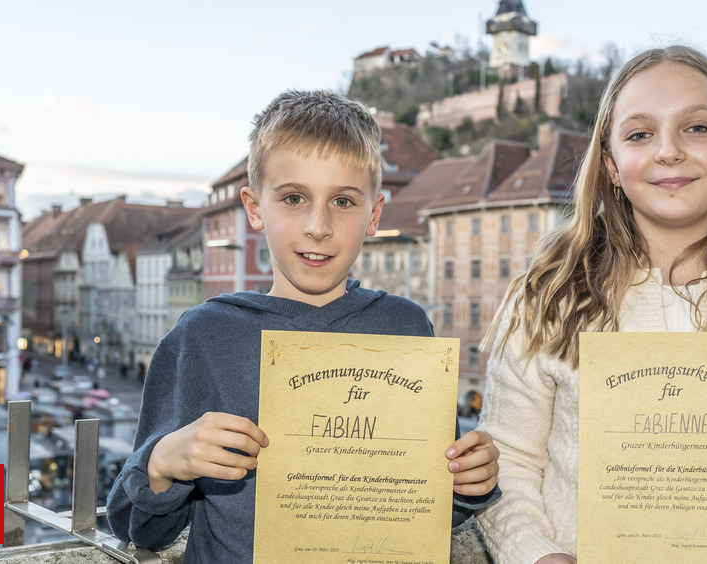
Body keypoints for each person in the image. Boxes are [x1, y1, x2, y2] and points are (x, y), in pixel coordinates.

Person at [474, 46, 707, 564]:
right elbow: (510, 462)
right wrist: (538, 556)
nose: (669, 151)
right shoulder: (549, 299)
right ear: (611, 164)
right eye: (640, 134)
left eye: (697, 128)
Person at [107, 90, 501, 562]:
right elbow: (139, 529)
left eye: (343, 201)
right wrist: (163, 463)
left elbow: (425, 515)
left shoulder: (406, 327)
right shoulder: (204, 336)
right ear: (255, 207)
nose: (318, 225)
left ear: (374, 214)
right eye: (294, 198)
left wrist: (469, 483)